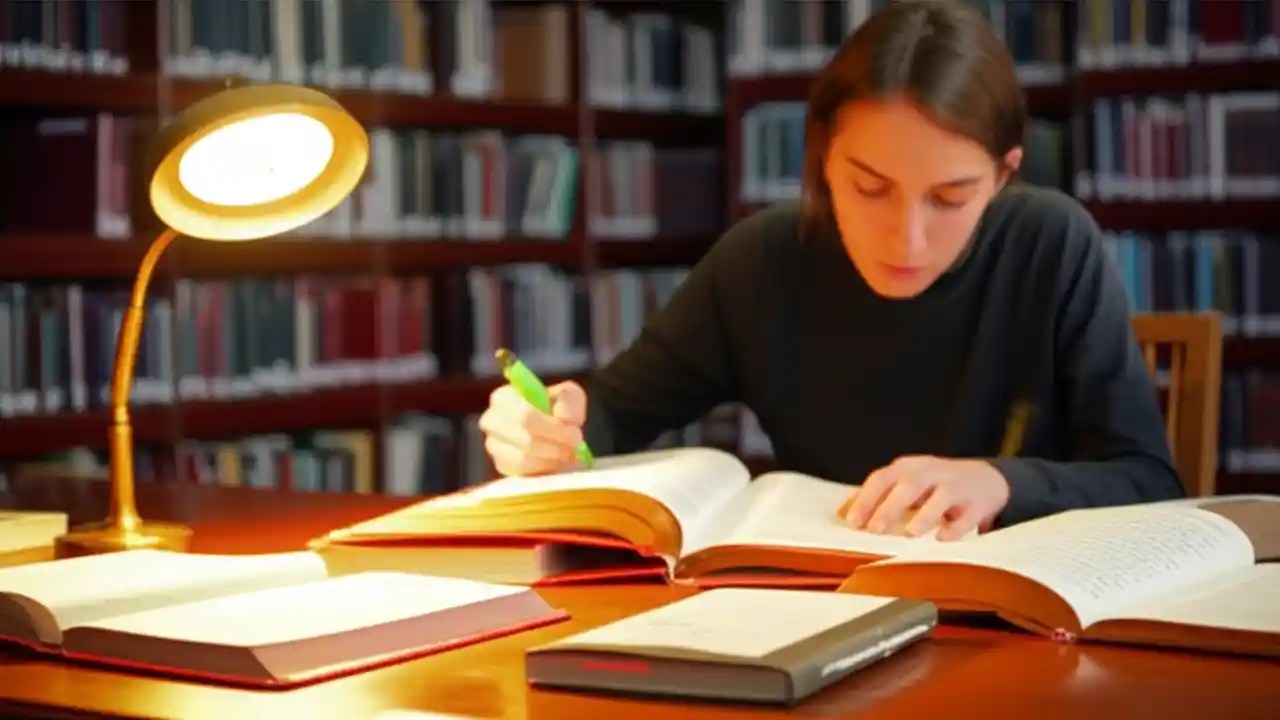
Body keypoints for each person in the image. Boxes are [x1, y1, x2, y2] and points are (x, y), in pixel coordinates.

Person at [477, 0, 1184, 541]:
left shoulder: (1051, 246)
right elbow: (613, 416)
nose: (906, 239)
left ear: (1004, 177)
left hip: (1023, 634)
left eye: (950, 198)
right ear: (821, 158)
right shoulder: (762, 261)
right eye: (870, 187)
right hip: (816, 612)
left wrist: (1000, 483)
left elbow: (1149, 479)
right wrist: (545, 433)